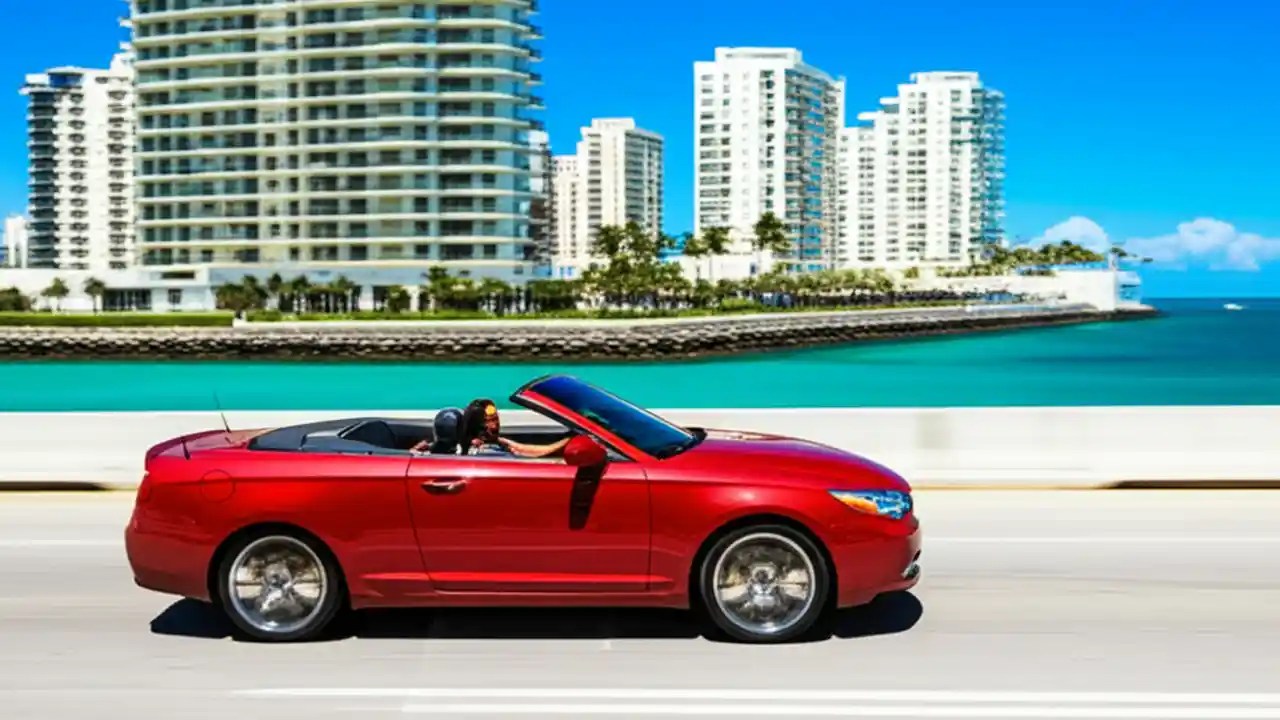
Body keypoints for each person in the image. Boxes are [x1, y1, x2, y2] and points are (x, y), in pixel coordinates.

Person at [460, 398, 570, 459]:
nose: (495, 425)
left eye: (495, 419)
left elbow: (525, 449)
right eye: (489, 421)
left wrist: (567, 441)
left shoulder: (496, 442)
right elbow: (525, 460)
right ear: (478, 426)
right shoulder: (486, 452)